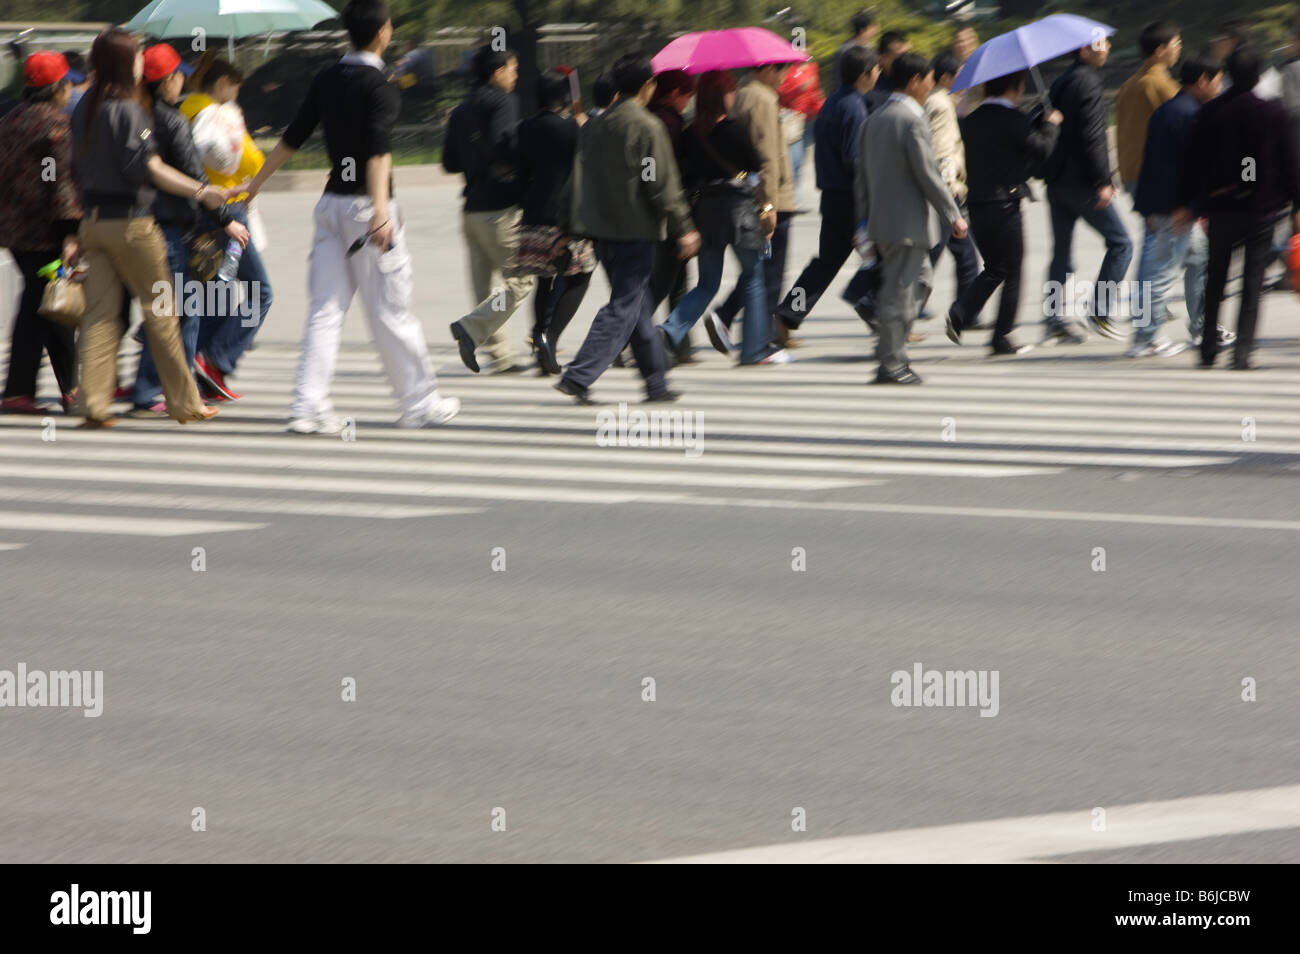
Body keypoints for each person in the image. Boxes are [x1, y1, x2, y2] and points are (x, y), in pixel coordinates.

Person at [237, 0, 459, 431]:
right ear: (382, 33)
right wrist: (380, 210)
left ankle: (307, 406)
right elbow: (378, 151)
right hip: (366, 209)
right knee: (390, 309)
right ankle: (418, 402)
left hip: (330, 207)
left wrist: (255, 185)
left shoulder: (327, 77)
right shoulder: (380, 85)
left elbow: (293, 136)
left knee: (325, 309)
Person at [70, 28, 223, 428]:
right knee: (162, 314)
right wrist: (203, 191)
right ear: (126, 63)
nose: (142, 61)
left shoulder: (85, 105)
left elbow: (72, 170)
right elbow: (151, 169)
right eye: (137, 55)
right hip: (134, 227)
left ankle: (93, 404)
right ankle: (186, 404)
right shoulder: (130, 110)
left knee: (101, 317)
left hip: (94, 224)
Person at [554, 53, 699, 404]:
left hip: (603, 233)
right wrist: (684, 227)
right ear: (648, 86)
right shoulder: (647, 127)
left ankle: (656, 382)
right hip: (636, 229)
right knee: (625, 305)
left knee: (637, 307)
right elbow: (660, 183)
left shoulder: (595, 126)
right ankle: (579, 374)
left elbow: (577, 179)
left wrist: (567, 226)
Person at [129, 43, 248, 416]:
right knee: (187, 309)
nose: (183, 80)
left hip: (137, 223)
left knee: (164, 308)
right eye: (178, 74)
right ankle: (172, 390)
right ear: (165, 81)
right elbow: (197, 182)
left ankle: (147, 387)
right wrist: (226, 219)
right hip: (172, 228)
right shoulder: (172, 120)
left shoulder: (133, 116)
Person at [1177, 45, 1300, 370]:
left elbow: (1193, 163)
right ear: (1259, 73)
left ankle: (1207, 350)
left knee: (1215, 278)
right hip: (1262, 208)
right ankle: (1242, 353)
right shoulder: (1273, 111)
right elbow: (1290, 161)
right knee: (1252, 282)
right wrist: (1297, 200)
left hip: (1219, 207)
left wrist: (1187, 202)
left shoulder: (1211, 111)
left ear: (1228, 73)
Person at [855, 52, 966, 384]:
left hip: (882, 223)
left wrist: (862, 223)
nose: (931, 86)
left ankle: (891, 347)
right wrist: (953, 214)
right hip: (906, 225)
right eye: (929, 80)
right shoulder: (912, 120)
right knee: (900, 293)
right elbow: (928, 174)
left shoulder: (872, 119)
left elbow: (860, 179)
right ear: (915, 81)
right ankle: (891, 364)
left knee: (918, 283)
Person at [657, 71, 780, 366]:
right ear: (721, 96)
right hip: (738, 212)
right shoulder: (736, 129)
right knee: (752, 277)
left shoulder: (689, 134)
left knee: (707, 283)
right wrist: (768, 207)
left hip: (707, 213)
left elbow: (685, 172)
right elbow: (755, 166)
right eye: (730, 91)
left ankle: (668, 331)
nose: (734, 95)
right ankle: (753, 350)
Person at [767, 47, 878, 341]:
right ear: (864, 75)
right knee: (883, 255)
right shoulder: (854, 106)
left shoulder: (833, 102)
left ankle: (787, 315)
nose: (878, 75)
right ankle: (875, 309)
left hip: (832, 194)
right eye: (875, 70)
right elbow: (854, 159)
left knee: (826, 263)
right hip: (852, 198)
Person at [179, 56, 275, 396]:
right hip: (227, 211)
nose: (236, 93)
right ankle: (217, 359)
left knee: (214, 296)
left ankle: (203, 376)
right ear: (222, 84)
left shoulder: (186, 110)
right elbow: (249, 160)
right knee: (261, 293)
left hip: (199, 212)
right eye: (235, 86)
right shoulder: (216, 114)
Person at [947, 70, 1061, 355]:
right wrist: (1051, 126)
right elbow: (1042, 149)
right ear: (1017, 86)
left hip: (976, 203)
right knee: (1013, 270)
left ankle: (962, 310)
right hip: (1005, 204)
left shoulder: (970, 121)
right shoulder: (1015, 120)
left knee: (996, 266)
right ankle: (1001, 336)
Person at [1128, 55, 1226, 359]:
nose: (1219, 88)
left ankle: (1202, 328)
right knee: (1160, 275)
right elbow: (1190, 169)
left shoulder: (1168, 111)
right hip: (1175, 209)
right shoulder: (1191, 115)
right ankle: (1146, 338)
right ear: (1202, 81)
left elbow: (1153, 162)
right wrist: (1186, 207)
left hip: (1164, 205)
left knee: (1200, 262)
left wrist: (1150, 209)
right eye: (1217, 82)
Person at [0, 52, 82, 415]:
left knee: (40, 303)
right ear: (58, 88)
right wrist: (70, 231)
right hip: (44, 233)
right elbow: (57, 181)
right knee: (50, 306)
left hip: (14, 233)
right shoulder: (54, 127)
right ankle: (68, 390)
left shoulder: (10, 122)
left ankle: (28, 390)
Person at [444, 45, 533, 374]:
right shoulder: (503, 101)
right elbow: (506, 146)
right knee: (521, 281)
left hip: (470, 209)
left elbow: (449, 162)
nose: (516, 75)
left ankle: (501, 356)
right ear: (497, 73)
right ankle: (470, 327)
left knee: (484, 287)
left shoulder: (461, 109)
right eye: (513, 68)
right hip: (500, 209)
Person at [1040, 33, 1132, 344]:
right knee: (1121, 243)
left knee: (1061, 255)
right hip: (1083, 182)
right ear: (1084, 49)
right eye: (1101, 44)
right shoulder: (1088, 82)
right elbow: (1093, 136)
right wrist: (1104, 181)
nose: (1107, 48)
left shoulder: (1062, 81)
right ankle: (1100, 310)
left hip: (1057, 181)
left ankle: (1053, 319)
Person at [707, 60, 796, 353]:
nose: (784, 78)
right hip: (770, 197)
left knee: (757, 270)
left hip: (749, 194)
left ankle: (728, 317)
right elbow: (766, 154)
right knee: (770, 271)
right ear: (769, 69)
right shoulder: (762, 97)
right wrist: (768, 204)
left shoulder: (743, 92)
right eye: (783, 71)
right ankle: (761, 340)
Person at [513, 69, 596, 375]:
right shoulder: (571, 129)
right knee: (580, 276)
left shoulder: (525, 128)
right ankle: (550, 336)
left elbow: (520, 172)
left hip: (532, 215)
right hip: (563, 217)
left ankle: (539, 339)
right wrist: (584, 127)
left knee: (543, 281)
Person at [645, 69, 697, 364]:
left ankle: (681, 343)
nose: (689, 101)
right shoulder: (670, 123)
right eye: (688, 95)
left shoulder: (652, 117)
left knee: (674, 278)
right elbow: (670, 175)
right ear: (676, 93)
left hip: (655, 212)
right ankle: (628, 334)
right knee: (665, 280)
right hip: (670, 212)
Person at [925, 51, 979, 320]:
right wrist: (949, 188)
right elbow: (941, 148)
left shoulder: (941, 100)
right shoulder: (940, 104)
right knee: (936, 252)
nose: (963, 79)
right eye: (959, 74)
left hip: (946, 187)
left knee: (963, 252)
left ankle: (967, 312)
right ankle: (876, 300)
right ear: (946, 78)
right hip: (947, 188)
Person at [1115, 22, 1181, 193]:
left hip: (1131, 171)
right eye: (1176, 44)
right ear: (1160, 50)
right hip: (1157, 176)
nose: (1179, 48)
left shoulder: (1128, 85)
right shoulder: (1159, 83)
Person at [779, 57, 824, 186]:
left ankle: (795, 188)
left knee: (803, 156)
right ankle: (793, 189)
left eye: (807, 51)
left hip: (811, 117)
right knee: (795, 159)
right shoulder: (788, 71)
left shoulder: (812, 68)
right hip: (794, 120)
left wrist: (821, 107)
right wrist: (798, 89)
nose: (806, 54)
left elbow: (816, 92)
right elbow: (781, 93)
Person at [864, 31, 911, 115]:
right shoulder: (873, 91)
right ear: (881, 58)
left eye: (905, 55)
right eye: (898, 57)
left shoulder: (913, 83)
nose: (903, 61)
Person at [834, 11, 879, 84]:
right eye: (873, 28)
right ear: (863, 30)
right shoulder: (846, 51)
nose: (876, 31)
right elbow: (839, 81)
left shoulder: (870, 48)